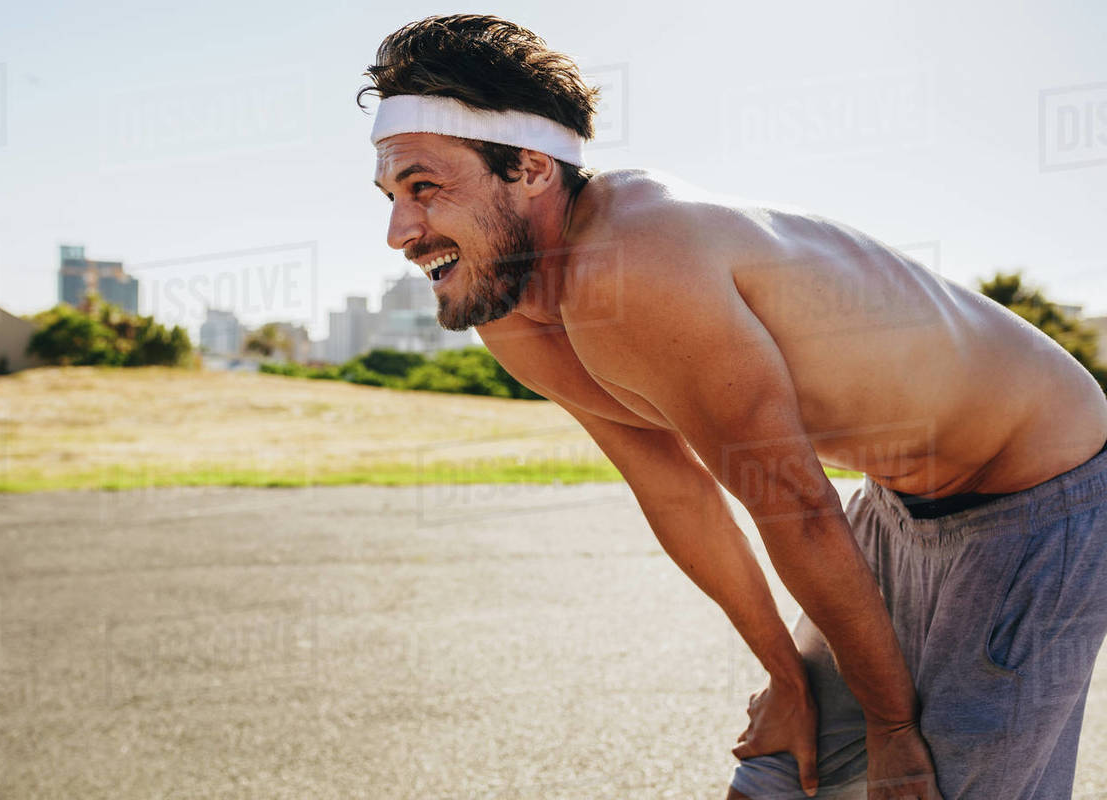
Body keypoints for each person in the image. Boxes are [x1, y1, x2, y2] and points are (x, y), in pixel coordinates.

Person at [361, 14, 1107, 799]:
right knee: (779, 779)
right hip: (899, 500)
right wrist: (786, 677)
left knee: (926, 787)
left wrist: (892, 730)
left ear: (533, 168)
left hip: (1037, 494)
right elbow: (674, 490)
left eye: (425, 189)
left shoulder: (641, 257)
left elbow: (795, 503)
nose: (399, 232)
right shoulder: (512, 311)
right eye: (390, 196)